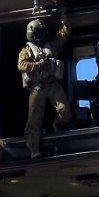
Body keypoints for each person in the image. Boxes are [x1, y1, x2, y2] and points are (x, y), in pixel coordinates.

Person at [18, 15, 72, 158]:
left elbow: (63, 34)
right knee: (34, 121)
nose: (43, 36)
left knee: (64, 112)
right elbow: (21, 65)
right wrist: (37, 65)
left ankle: (58, 127)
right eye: (40, 33)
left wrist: (64, 16)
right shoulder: (26, 50)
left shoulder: (51, 46)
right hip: (37, 87)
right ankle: (33, 149)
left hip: (52, 84)